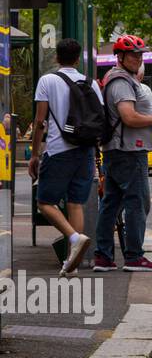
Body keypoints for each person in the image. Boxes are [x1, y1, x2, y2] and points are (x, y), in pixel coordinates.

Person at [95, 35, 152, 271]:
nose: (138, 58)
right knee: (137, 203)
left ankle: (104, 257)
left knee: (111, 204)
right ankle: (135, 257)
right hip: (128, 151)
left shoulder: (119, 79)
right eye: (133, 54)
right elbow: (129, 117)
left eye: (140, 54)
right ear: (120, 57)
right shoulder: (121, 82)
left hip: (119, 150)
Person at [29, 38, 100, 276]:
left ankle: (73, 238)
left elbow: (40, 121)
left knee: (45, 202)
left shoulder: (48, 81)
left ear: (57, 57)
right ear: (78, 58)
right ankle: (72, 265)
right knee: (75, 204)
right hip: (85, 150)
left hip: (59, 150)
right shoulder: (91, 82)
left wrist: (35, 154)